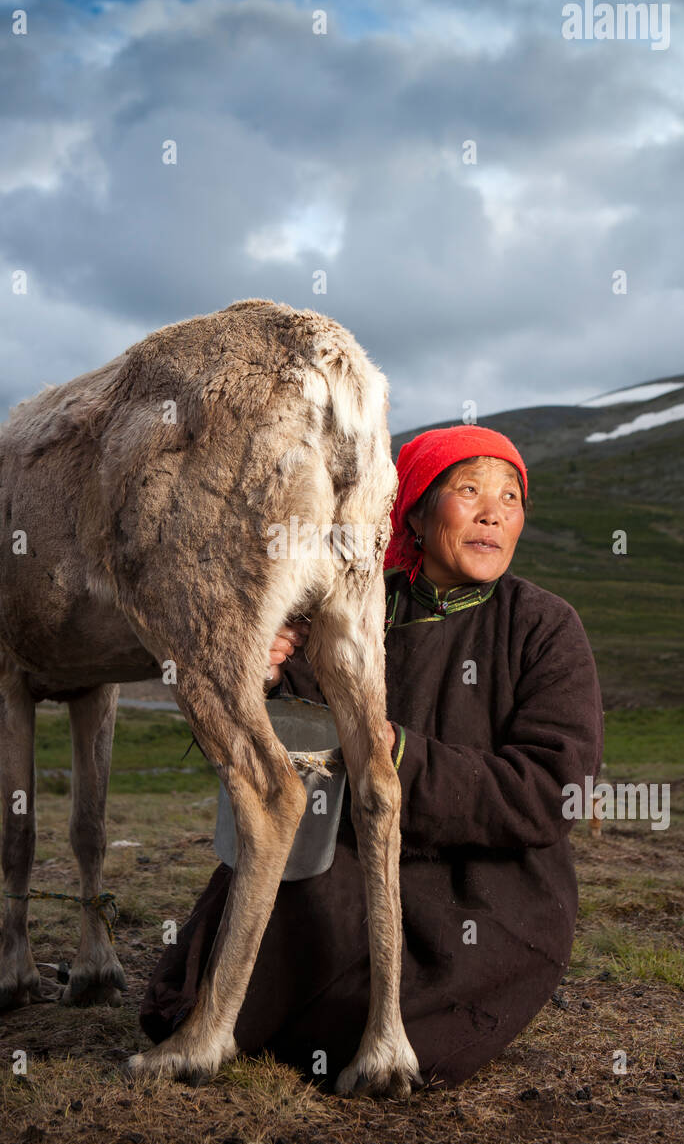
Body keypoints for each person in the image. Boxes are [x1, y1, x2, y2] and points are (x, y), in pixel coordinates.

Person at [139, 425, 604, 1090]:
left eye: (510, 497)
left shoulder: (543, 627)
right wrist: (263, 672)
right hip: (353, 859)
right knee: (287, 911)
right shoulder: (357, 610)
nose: (493, 512)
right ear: (414, 508)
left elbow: (555, 788)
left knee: (412, 1021)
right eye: (467, 490)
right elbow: (294, 721)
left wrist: (399, 755)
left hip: (488, 890)